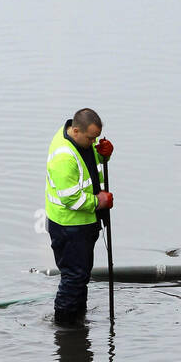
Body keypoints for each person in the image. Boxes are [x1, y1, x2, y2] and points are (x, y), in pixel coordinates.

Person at [44, 108, 113, 323]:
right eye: (91, 138)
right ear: (75, 130)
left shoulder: (79, 142)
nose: (94, 142)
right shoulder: (64, 157)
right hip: (69, 227)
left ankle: (77, 321)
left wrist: (104, 155)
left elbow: (91, 165)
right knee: (73, 277)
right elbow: (71, 198)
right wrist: (98, 201)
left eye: (96, 138)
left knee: (81, 276)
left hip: (82, 225)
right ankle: (65, 324)